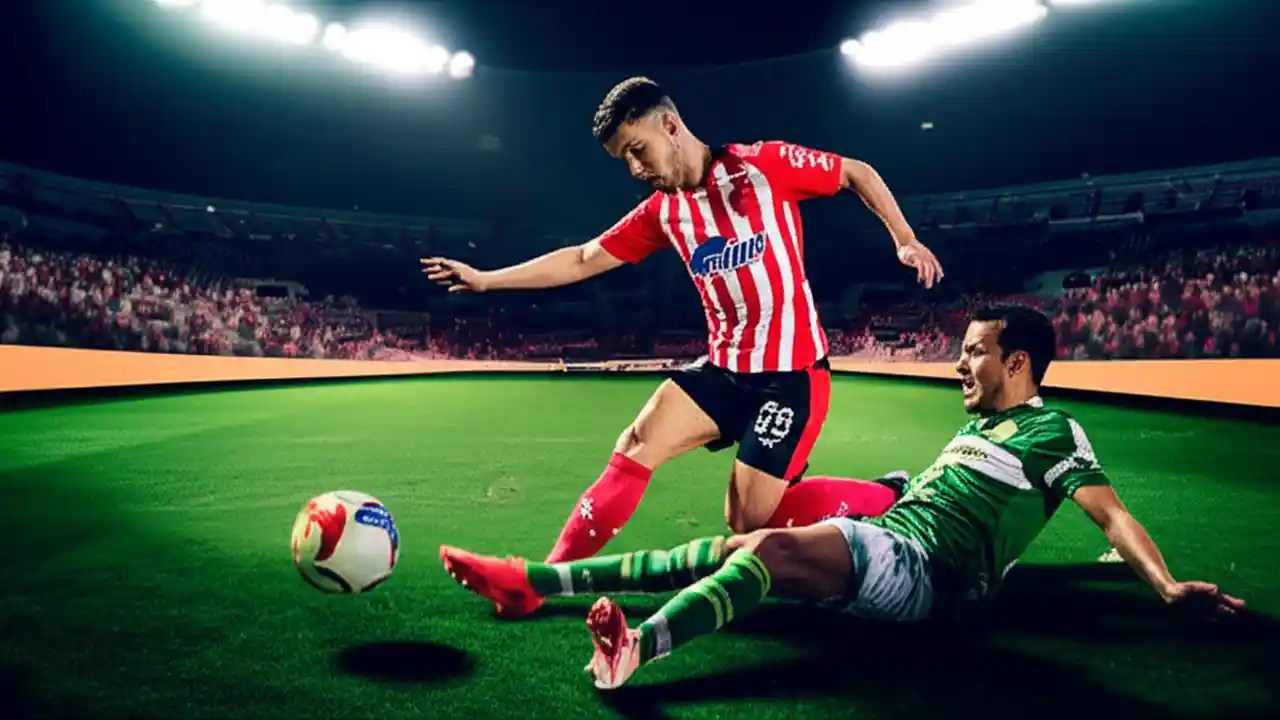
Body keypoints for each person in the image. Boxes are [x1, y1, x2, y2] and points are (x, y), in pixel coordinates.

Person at [438, 305, 1246, 689]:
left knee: (766, 547)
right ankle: (532, 583)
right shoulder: (972, 433)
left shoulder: (1053, 434)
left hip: (929, 577)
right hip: (891, 538)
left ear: (1021, 364)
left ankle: (633, 651)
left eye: (975, 355)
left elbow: (1111, 513)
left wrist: (1165, 587)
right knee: (727, 551)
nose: (960, 366)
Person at [422, 77, 945, 594]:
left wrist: (905, 239)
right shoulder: (664, 212)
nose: (635, 168)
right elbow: (583, 258)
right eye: (624, 159)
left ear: (670, 125)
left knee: (748, 524)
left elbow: (856, 171)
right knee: (636, 444)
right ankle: (540, 582)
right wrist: (487, 279)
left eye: (638, 150)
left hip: (791, 378)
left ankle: (886, 495)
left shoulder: (763, 166)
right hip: (721, 371)